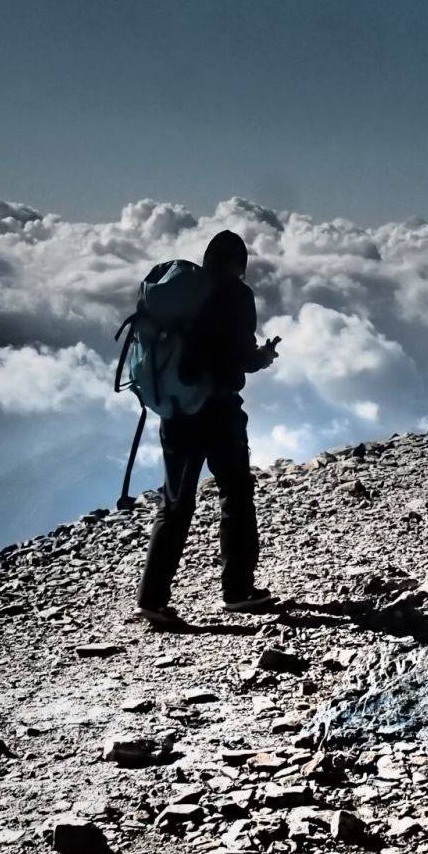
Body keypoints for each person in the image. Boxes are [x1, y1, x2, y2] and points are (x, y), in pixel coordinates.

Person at [135, 229, 279, 628]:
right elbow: (239, 356)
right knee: (235, 492)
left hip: (177, 411)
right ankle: (238, 591)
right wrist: (262, 357)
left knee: (175, 502)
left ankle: (152, 598)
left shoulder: (187, 296)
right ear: (240, 264)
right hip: (218, 411)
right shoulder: (236, 295)